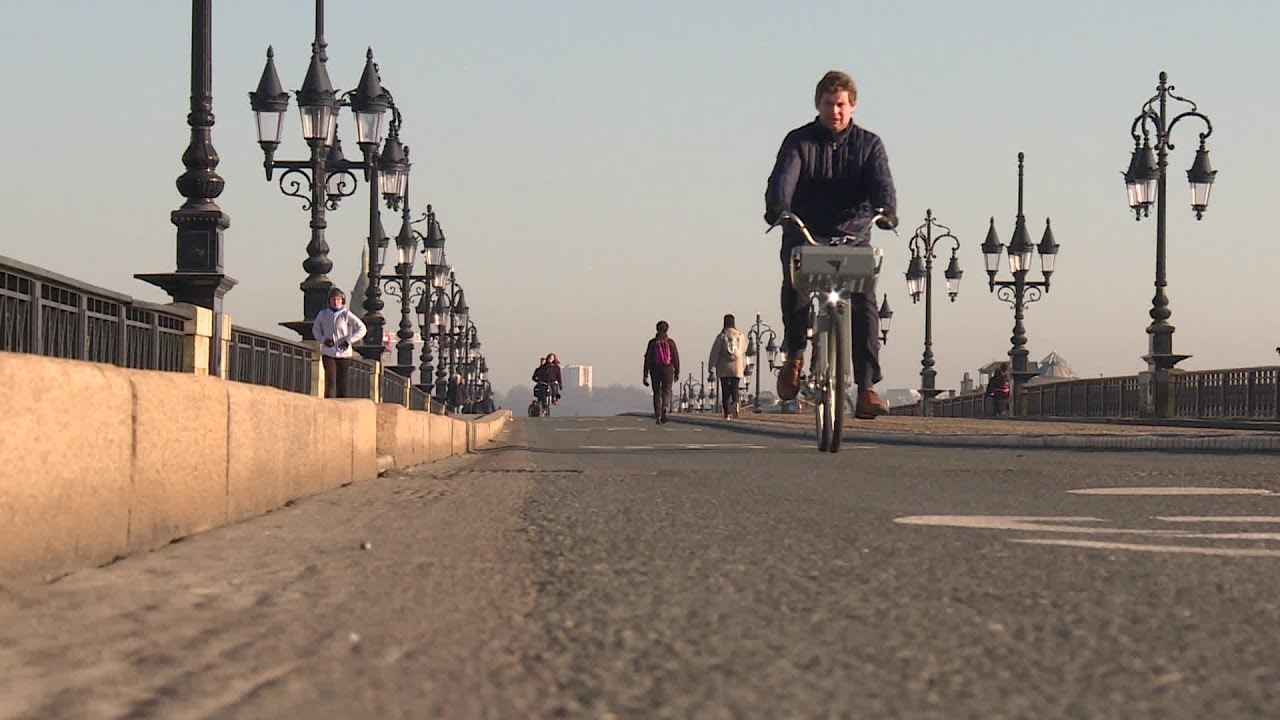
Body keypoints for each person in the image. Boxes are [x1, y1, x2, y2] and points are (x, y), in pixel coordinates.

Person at [764, 69, 898, 420]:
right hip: (806, 231)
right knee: (795, 285)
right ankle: (795, 357)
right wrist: (778, 206)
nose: (835, 111)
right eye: (828, 104)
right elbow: (784, 177)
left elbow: (881, 182)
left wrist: (887, 210)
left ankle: (866, 387)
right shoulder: (799, 141)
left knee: (864, 300)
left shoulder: (869, 144)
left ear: (852, 106)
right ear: (817, 104)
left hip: (853, 234)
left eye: (841, 104)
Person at [311, 287, 367, 399]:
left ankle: (342, 404)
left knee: (342, 383)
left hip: (344, 353)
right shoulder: (323, 314)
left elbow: (362, 329)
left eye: (338, 299)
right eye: (333, 299)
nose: (335, 302)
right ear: (329, 301)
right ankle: (329, 404)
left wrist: (349, 341)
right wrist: (323, 340)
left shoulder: (346, 314)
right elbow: (315, 330)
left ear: (342, 301)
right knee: (330, 382)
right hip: (328, 352)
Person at [708, 314, 747, 419]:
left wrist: (711, 367)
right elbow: (744, 349)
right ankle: (735, 403)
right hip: (736, 367)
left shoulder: (721, 336)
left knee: (725, 390)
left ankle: (727, 413)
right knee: (735, 388)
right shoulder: (740, 336)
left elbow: (714, 352)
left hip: (724, 367)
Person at [642, 320, 680, 424]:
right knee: (666, 390)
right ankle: (665, 407)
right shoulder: (670, 342)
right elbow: (675, 358)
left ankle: (658, 415)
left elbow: (647, 359)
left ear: (657, 329)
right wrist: (677, 371)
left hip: (655, 369)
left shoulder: (652, 343)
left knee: (657, 392)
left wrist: (645, 374)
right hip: (668, 369)